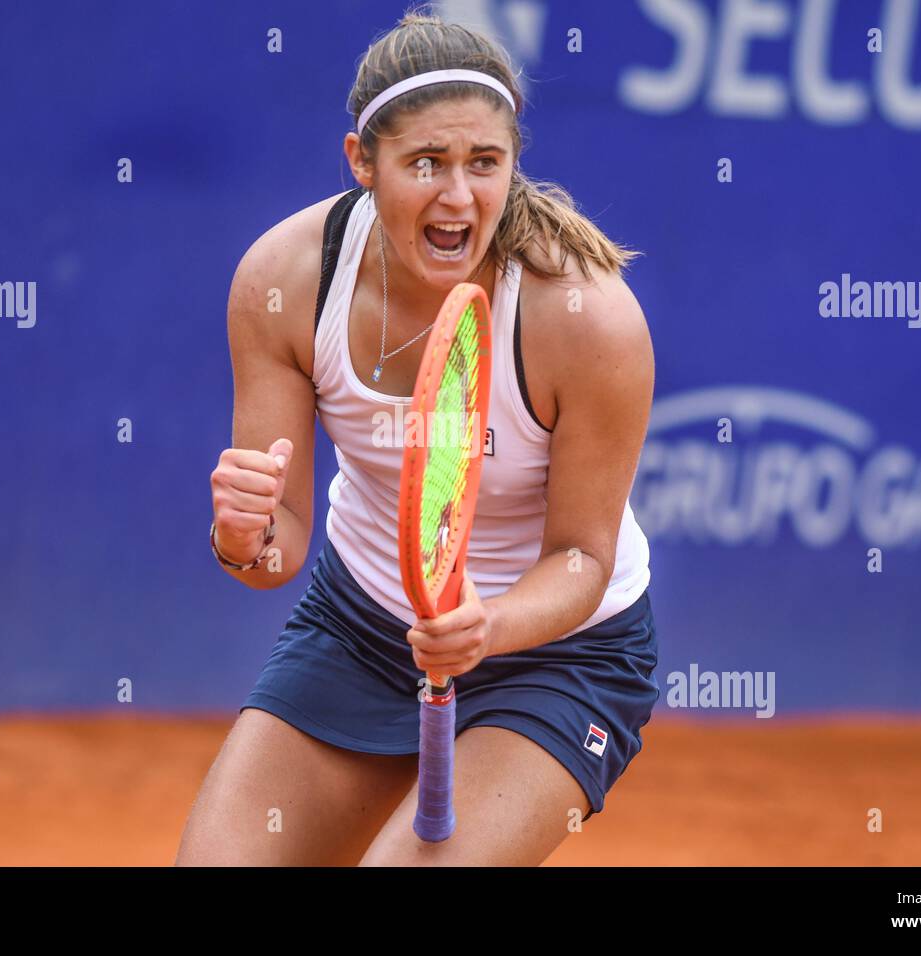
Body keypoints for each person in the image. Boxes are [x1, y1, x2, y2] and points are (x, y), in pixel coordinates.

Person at [176, 8, 658, 866]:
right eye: (425, 163)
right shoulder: (285, 280)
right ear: (361, 161)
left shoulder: (587, 322)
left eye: (485, 163)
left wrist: (488, 623)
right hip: (361, 629)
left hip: (556, 655)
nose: (458, 195)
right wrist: (240, 534)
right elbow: (274, 553)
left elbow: (583, 559)